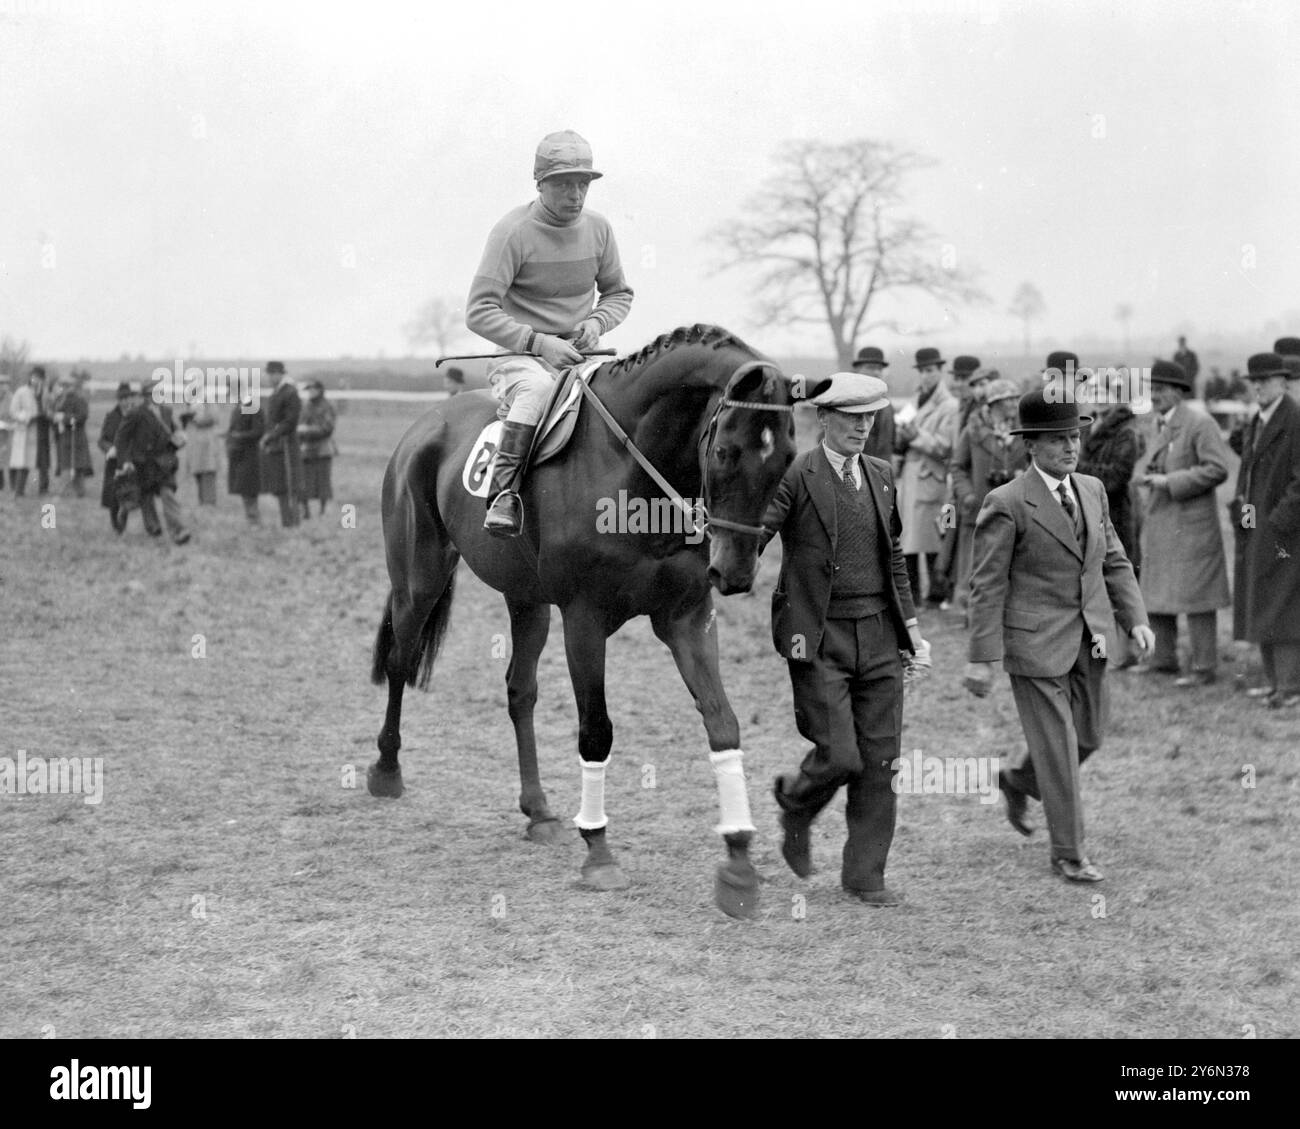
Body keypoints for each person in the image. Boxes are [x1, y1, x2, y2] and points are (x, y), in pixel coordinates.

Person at [965, 388, 1153, 884]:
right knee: (1060, 748)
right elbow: (986, 585)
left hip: (1092, 638)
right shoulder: (1006, 503)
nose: (1070, 447)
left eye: (1074, 437)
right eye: (1056, 440)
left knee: (1089, 736)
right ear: (1030, 446)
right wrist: (981, 657)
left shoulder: (1092, 490)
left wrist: (1135, 618)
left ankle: (1019, 779)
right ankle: (1069, 853)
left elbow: (1113, 559)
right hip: (1033, 646)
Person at [761, 372, 931, 907]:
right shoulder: (794, 475)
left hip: (881, 634)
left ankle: (865, 876)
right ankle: (796, 802)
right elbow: (752, 532)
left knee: (881, 761)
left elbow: (894, 557)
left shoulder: (881, 475)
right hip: (817, 635)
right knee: (840, 754)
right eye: (853, 419)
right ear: (823, 419)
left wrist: (914, 632)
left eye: (870, 418)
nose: (863, 428)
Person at [466, 129, 634, 537]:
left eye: (582, 184)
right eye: (563, 184)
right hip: (520, 359)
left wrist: (595, 324)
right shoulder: (512, 232)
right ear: (540, 184)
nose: (575, 195)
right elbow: (478, 311)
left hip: (582, 358)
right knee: (538, 391)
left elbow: (618, 294)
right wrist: (540, 344)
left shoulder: (599, 229)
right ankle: (503, 495)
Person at [1132, 359, 1230, 685]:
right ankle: (1163, 659)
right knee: (1157, 589)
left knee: (1198, 597)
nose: (1154, 395)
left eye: (1160, 390)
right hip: (1161, 522)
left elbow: (1217, 469)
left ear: (1177, 391)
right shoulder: (1157, 424)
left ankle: (1204, 668)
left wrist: (1170, 481)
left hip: (1191, 525)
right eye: (1151, 389)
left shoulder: (1200, 424)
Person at [1232, 353, 1300, 708]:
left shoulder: (1295, 417)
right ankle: (1276, 685)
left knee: (1285, 606)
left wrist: (1277, 523)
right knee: (1262, 602)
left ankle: (1289, 688)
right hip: (1256, 527)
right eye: (1253, 380)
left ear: (1283, 381)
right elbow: (1246, 476)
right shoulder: (1258, 420)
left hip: (1286, 533)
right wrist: (1244, 520)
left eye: (1266, 379)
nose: (1257, 386)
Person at [1078, 366, 1146, 667]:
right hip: (1091, 510)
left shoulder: (1126, 431)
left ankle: (1127, 650)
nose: (1099, 398)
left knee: (1119, 574)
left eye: (1106, 392)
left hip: (1117, 511)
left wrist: (1079, 471)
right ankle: (1106, 647)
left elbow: (1118, 477)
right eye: (1094, 392)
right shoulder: (1090, 427)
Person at [950, 378, 1026, 613]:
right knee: (974, 565)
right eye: (1008, 400)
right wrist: (967, 494)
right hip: (978, 510)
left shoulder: (1023, 431)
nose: (1014, 404)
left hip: (1015, 509)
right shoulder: (972, 430)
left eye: (1016, 398)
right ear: (993, 403)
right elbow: (957, 466)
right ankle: (972, 610)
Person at [894, 346, 957, 605]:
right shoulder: (914, 401)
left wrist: (915, 437)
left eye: (930, 370)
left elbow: (945, 445)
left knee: (933, 538)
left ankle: (937, 594)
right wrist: (903, 437)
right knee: (908, 538)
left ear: (940, 371)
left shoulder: (949, 406)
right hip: (910, 477)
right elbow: (902, 438)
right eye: (922, 371)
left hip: (932, 476)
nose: (925, 376)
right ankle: (914, 595)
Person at [114, 383, 192, 544]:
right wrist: (125, 461)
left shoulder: (167, 411)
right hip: (143, 463)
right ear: (147, 395)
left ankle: (178, 531)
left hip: (164, 463)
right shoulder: (135, 413)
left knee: (168, 495)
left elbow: (174, 432)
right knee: (145, 497)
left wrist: (180, 438)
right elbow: (121, 438)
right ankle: (153, 529)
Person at [259, 361, 303, 528]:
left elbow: (290, 421)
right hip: (278, 444)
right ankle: (287, 521)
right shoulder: (278, 392)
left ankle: (293, 522)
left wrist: (272, 434)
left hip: (286, 445)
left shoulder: (290, 392)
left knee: (289, 484)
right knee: (281, 485)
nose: (269, 378)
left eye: (270, 375)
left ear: (278, 373)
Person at [225, 379, 264, 525]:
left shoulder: (253, 406)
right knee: (243, 488)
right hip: (238, 454)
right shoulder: (237, 407)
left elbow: (258, 431)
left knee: (250, 489)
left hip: (250, 454)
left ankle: (254, 519)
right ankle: (250, 518)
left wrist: (239, 436)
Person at [297, 379, 336, 518]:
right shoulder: (306, 406)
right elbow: (299, 423)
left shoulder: (327, 406)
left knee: (323, 482)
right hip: (306, 448)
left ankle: (322, 510)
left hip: (322, 449)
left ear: (320, 390)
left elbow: (327, 428)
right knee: (304, 481)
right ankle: (305, 511)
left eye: (313, 389)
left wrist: (306, 430)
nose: (310, 392)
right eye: (309, 390)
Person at [849, 347, 895, 462]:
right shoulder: (846, 400)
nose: (876, 372)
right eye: (871, 367)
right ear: (857, 370)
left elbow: (890, 442)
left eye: (879, 368)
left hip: (880, 471)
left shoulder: (887, 405)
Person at [51, 372, 93, 497]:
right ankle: (66, 490)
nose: (64, 389)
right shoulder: (59, 400)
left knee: (77, 465)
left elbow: (82, 416)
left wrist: (64, 418)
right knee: (65, 465)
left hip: (76, 437)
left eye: (67, 386)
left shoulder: (79, 400)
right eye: (62, 386)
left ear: (72, 387)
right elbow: (54, 413)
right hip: (64, 437)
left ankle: (78, 491)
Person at [99, 382, 134, 531]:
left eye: (127, 398)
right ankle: (116, 525)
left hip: (131, 462)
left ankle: (123, 520)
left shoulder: (137, 415)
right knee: (113, 496)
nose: (125, 402)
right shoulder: (111, 417)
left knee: (128, 495)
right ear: (118, 400)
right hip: (114, 462)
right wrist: (109, 449)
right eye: (122, 399)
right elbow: (102, 440)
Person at [6, 369, 43, 496]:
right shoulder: (21, 392)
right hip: (21, 431)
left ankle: (20, 490)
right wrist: (24, 417)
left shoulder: (40, 394)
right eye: (34, 377)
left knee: (28, 461)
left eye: (39, 378)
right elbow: (13, 411)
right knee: (18, 461)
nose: (36, 380)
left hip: (34, 432)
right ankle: (15, 489)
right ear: (30, 377)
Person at [182, 401, 220, 506]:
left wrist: (194, 419)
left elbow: (213, 418)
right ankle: (202, 502)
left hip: (206, 443)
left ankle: (209, 503)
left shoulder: (209, 401)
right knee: (198, 473)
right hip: (194, 443)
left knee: (207, 473)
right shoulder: (190, 401)